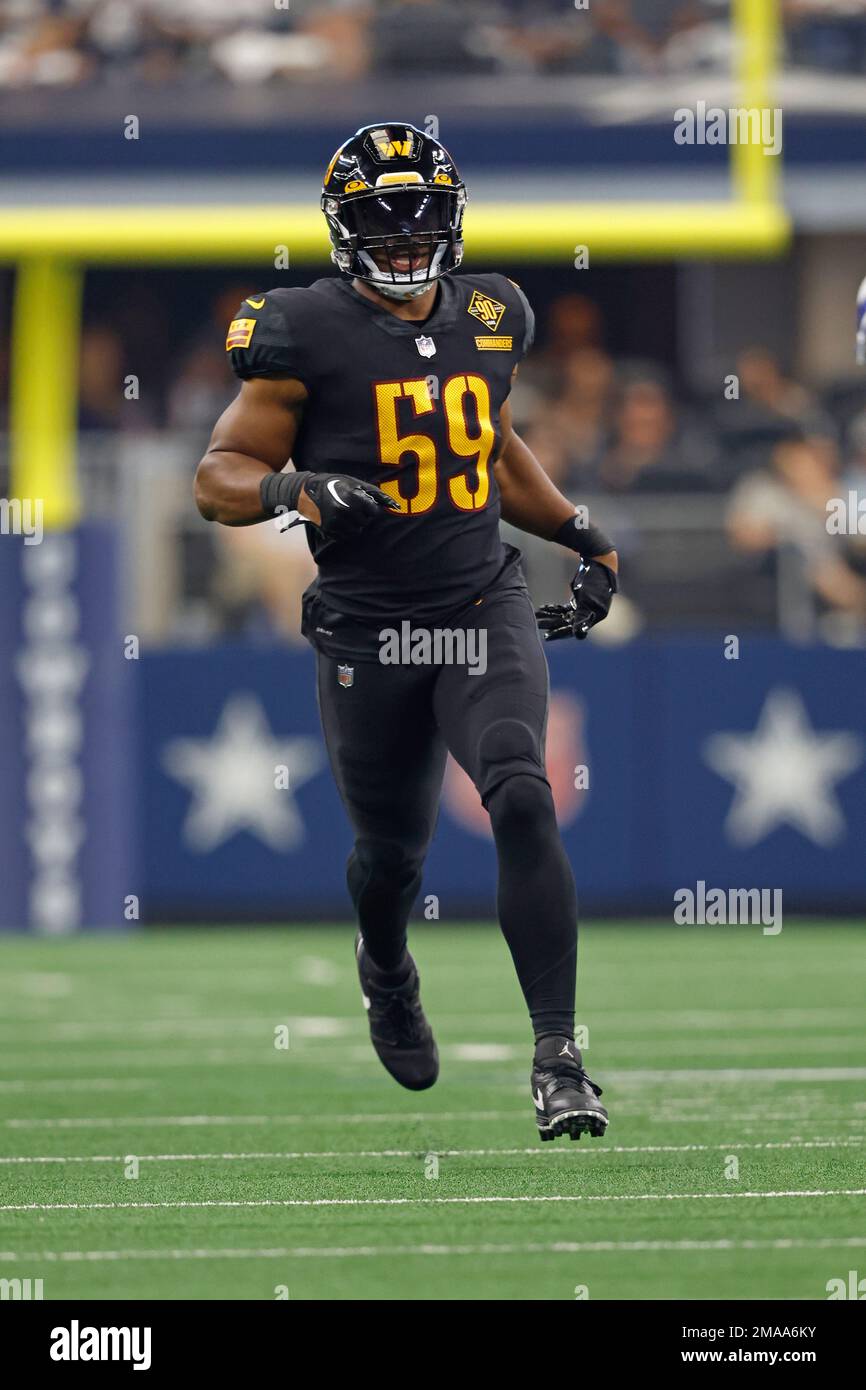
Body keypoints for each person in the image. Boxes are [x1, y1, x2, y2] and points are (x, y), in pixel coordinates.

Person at [194, 123, 617, 1141]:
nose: (401, 238)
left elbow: (491, 441)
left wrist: (578, 533)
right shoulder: (300, 332)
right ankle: (385, 967)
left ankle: (558, 1057)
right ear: (341, 230)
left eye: (419, 216)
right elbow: (216, 476)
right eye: (381, 221)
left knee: (519, 791)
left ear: (452, 221)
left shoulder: (491, 312)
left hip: (479, 604)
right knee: (387, 858)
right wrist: (294, 485)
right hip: (367, 633)